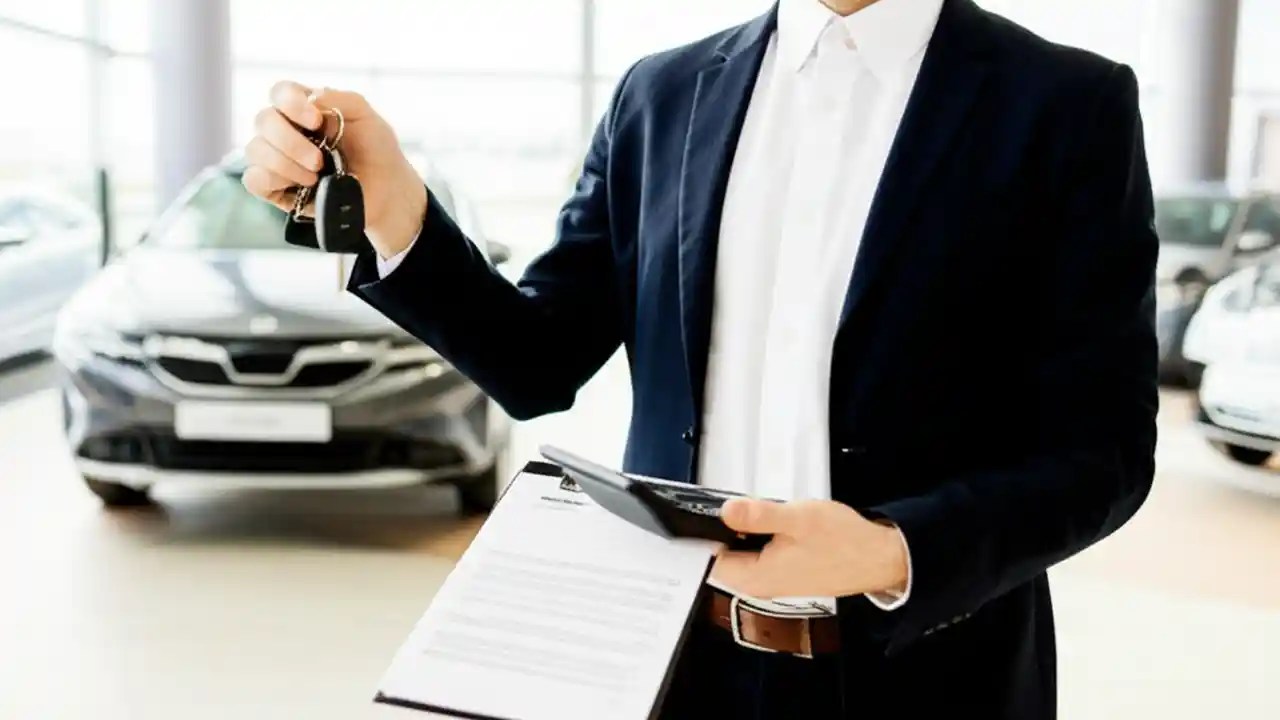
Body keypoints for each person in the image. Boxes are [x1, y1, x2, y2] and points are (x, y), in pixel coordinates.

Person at [243, 0, 1158, 716]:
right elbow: (534, 360)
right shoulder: (661, 95)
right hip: (673, 669)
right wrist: (397, 210)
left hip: (932, 678)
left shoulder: (1067, 105)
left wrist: (893, 551)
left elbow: (1103, 453)